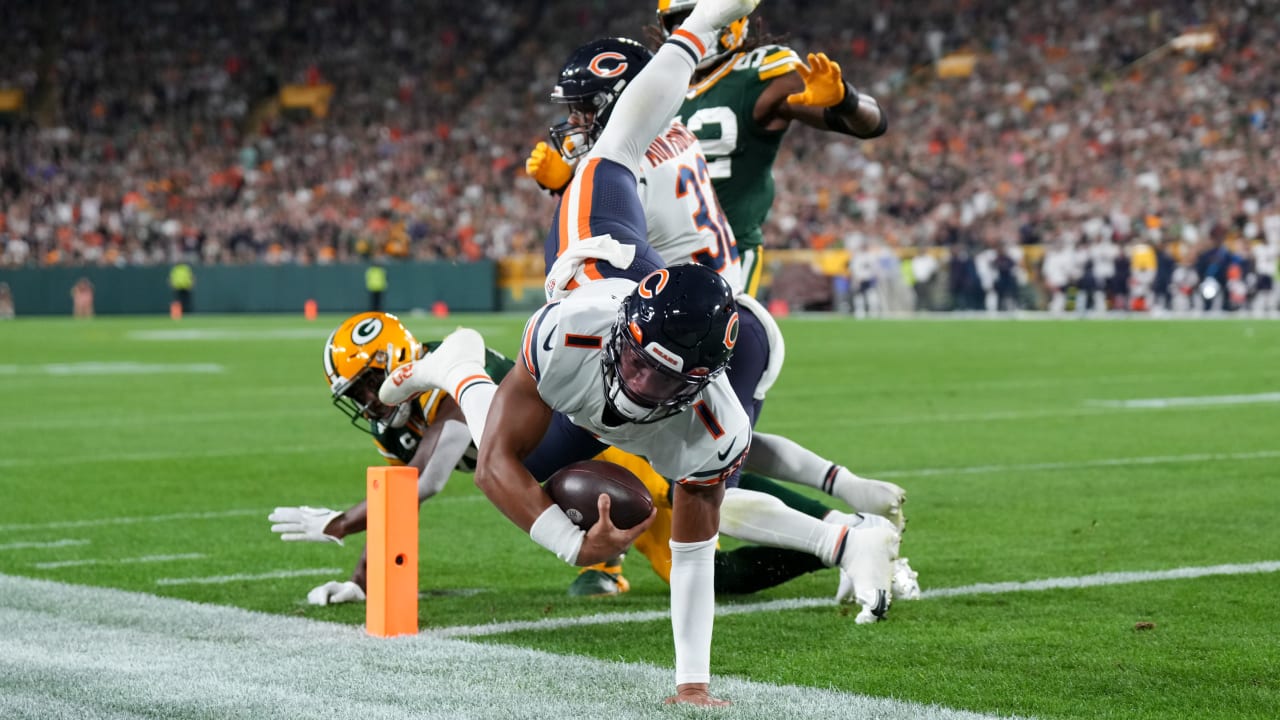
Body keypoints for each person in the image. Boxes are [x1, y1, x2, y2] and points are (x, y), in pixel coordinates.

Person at [380, 2, 898, 704]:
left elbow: (693, 551)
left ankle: (840, 527)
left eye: (582, 107)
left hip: (719, 321)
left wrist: (693, 685)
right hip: (615, 270)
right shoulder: (571, 334)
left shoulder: (708, 412)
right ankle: (457, 361)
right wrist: (570, 545)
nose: (643, 383)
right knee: (611, 153)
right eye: (639, 364)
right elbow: (494, 465)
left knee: (704, 474)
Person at [525, 36, 913, 598]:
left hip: (686, 337)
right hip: (710, 317)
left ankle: (852, 537)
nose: (575, 121)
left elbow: (618, 263)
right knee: (715, 446)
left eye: (587, 108)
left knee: (702, 484)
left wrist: (572, 190)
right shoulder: (675, 134)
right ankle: (847, 491)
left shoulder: (622, 166)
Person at [270, 311, 905, 604]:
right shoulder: (404, 416)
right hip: (584, 459)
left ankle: (848, 536)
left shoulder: (445, 381)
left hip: (607, 441)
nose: (366, 403)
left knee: (707, 495)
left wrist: (342, 524)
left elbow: (424, 484)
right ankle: (845, 532)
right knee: (717, 525)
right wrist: (364, 580)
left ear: (395, 367)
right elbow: (402, 492)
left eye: (362, 387)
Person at [653, 0, 887, 297]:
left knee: (714, 342)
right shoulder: (659, 79)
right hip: (655, 248)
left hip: (724, 252)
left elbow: (871, 124)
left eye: (698, 16)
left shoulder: (760, 74)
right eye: (680, 20)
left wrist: (845, 101)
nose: (690, 27)